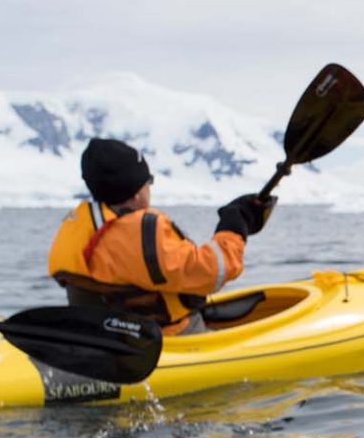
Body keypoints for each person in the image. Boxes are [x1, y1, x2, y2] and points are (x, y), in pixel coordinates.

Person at [47, 137, 269, 335]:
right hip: (166, 338)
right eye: (149, 182)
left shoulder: (77, 224)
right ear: (137, 194)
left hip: (109, 337)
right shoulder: (141, 233)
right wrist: (234, 225)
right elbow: (212, 272)